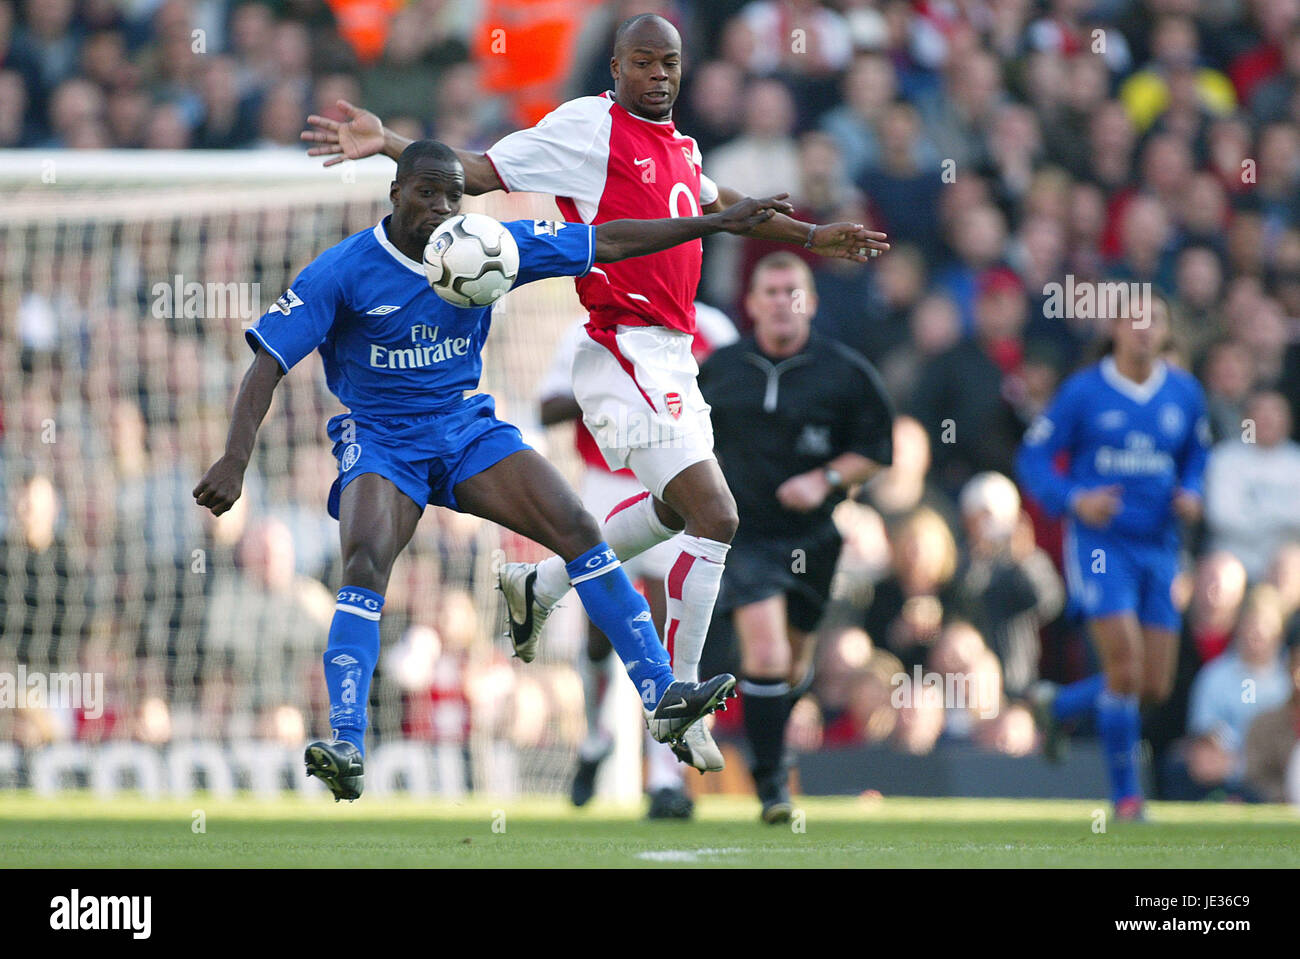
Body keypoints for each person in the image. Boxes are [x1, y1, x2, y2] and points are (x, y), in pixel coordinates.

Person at [301, 13, 889, 774]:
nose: (659, 76)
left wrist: (811, 237)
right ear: (614, 67)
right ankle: (677, 701)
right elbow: (479, 172)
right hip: (621, 344)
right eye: (642, 63)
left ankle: (541, 585)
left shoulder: (681, 145)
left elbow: (721, 202)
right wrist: (387, 143)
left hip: (672, 354)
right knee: (719, 514)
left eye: (669, 63)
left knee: (682, 510)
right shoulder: (586, 129)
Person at [193, 139, 788, 800]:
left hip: (465, 428)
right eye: (426, 193)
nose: (442, 207)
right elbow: (268, 362)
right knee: (364, 559)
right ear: (396, 194)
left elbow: (608, 241)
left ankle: (661, 693)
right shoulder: (343, 271)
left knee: (576, 524)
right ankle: (346, 741)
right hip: (382, 438)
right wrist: (235, 458)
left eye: (454, 194)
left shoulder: (492, 248)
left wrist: (711, 222)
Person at [697, 252, 895, 821]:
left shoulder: (845, 372)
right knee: (765, 648)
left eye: (793, 291)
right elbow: (689, 441)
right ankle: (771, 785)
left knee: (791, 664)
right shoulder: (720, 370)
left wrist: (826, 477)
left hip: (813, 540)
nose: (783, 302)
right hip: (744, 535)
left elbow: (878, 451)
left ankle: (776, 736)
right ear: (752, 303)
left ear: (809, 300)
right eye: (771, 291)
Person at [538, 303, 737, 818]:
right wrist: (612, 388)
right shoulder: (590, 329)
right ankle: (595, 736)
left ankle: (666, 777)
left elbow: (737, 400)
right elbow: (547, 407)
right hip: (606, 485)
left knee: (670, 627)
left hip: (676, 490)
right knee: (601, 631)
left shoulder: (711, 328)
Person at [1017, 295, 1209, 820]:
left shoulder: (1184, 392)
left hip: (1160, 545)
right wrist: (1074, 499)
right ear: (1117, 328)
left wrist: (1192, 491)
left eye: (1156, 322)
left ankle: (1059, 705)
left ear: (1167, 332)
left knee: (1153, 684)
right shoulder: (1084, 391)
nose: (1144, 331)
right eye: (1134, 320)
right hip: (1102, 545)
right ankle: (1126, 796)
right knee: (1124, 667)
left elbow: (1196, 454)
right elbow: (1032, 455)